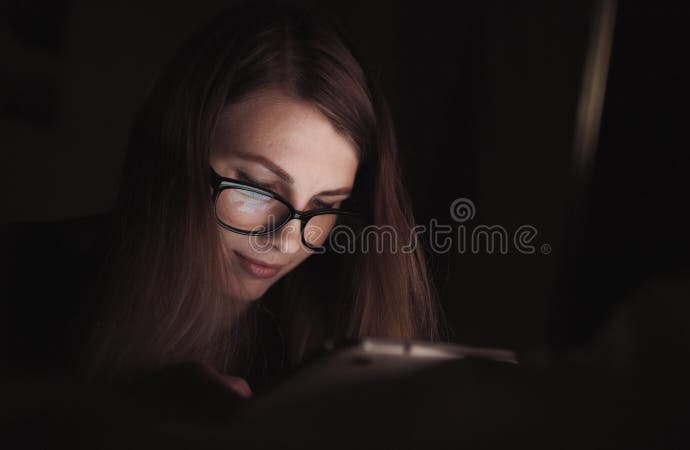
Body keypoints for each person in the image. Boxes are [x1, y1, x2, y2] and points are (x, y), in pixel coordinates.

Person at [2, 2, 440, 398]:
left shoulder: (337, 337)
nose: (287, 241)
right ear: (180, 155)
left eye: (324, 205)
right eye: (258, 189)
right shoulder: (22, 282)